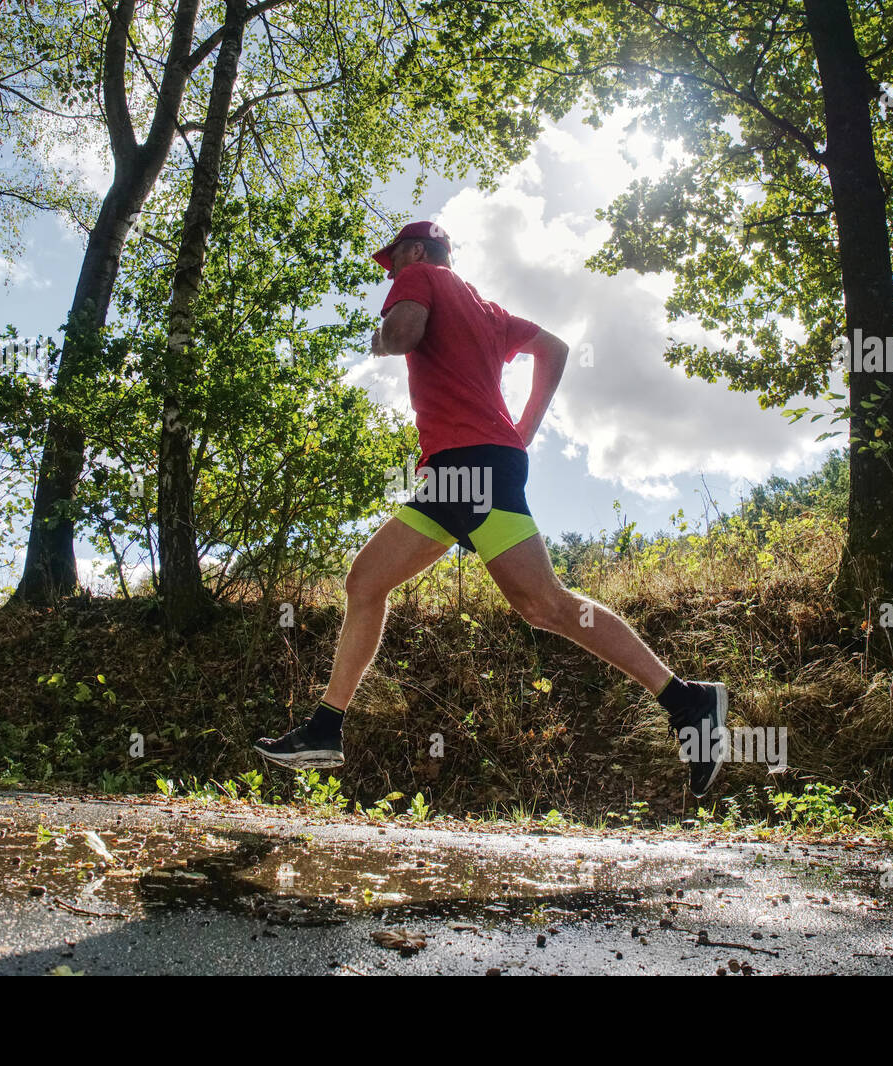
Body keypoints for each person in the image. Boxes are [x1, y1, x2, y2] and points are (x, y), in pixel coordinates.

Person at [254, 221, 729, 797]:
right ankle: (326, 728)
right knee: (366, 582)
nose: (393, 273)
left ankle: (689, 702)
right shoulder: (487, 310)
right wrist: (522, 430)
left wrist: (384, 338)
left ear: (414, 250)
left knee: (545, 604)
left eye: (394, 262)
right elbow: (554, 347)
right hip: (453, 473)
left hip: (471, 466)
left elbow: (403, 334)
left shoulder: (421, 276)